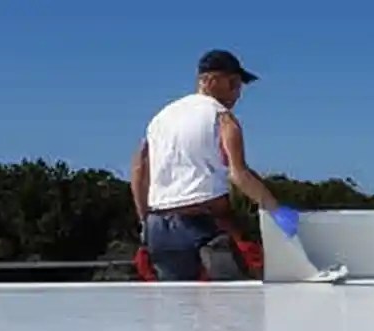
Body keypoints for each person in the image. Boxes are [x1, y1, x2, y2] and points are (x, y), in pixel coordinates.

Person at [129, 49, 301, 281]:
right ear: (208, 81)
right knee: (233, 305)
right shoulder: (222, 117)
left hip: (159, 228)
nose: (237, 93)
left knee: (178, 309)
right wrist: (278, 211)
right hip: (205, 226)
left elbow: (139, 170)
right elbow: (238, 174)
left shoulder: (160, 119)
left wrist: (145, 223)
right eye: (233, 83)